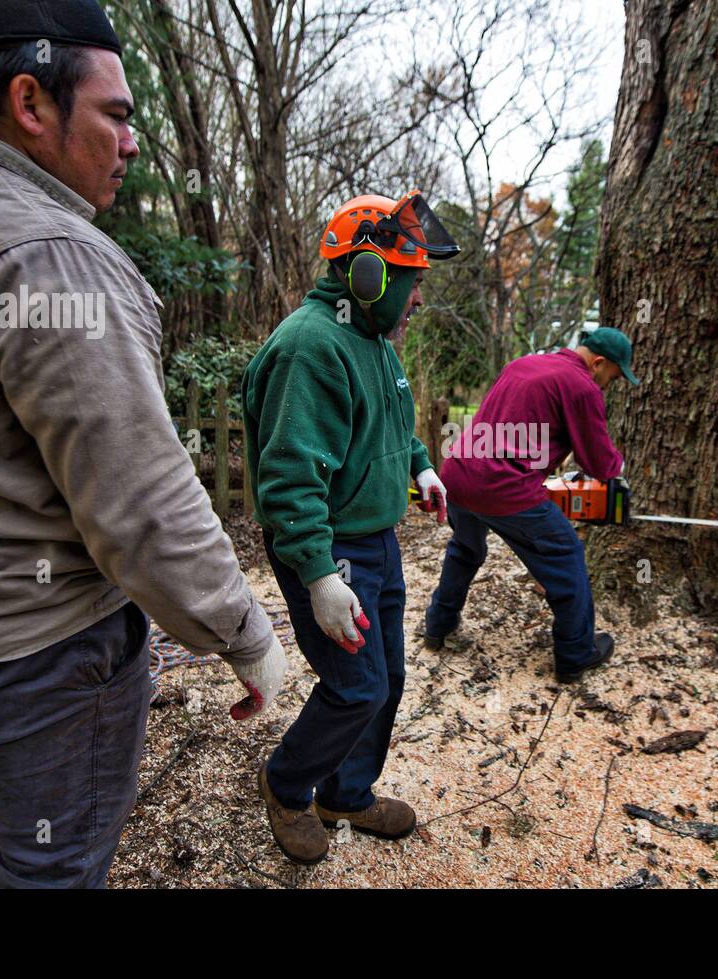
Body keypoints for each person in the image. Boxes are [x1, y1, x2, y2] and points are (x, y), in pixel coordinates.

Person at [0, 0, 286, 889]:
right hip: (30, 647)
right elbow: (143, 503)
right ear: (31, 103)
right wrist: (244, 632)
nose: (132, 144)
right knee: (55, 862)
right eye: (115, 116)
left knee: (12, 819)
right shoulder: (47, 251)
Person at [243, 191, 458, 864]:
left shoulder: (373, 342)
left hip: (377, 540)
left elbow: (394, 420)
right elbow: (289, 477)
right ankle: (285, 784)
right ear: (370, 274)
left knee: (386, 676)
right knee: (355, 684)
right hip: (332, 548)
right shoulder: (311, 348)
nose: (418, 299)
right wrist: (318, 573)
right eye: (413, 281)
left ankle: (347, 790)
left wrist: (421, 467)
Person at [424, 328, 639, 682]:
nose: (608, 386)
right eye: (612, 378)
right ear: (598, 363)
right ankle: (575, 654)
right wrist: (619, 466)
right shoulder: (582, 387)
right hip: (503, 488)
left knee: (465, 549)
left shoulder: (525, 363)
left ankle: (438, 626)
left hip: (459, 473)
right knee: (566, 557)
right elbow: (599, 463)